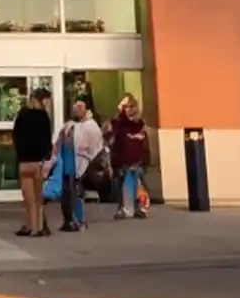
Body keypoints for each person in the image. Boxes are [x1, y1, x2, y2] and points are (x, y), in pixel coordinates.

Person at [12, 87, 53, 237]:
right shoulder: (43, 117)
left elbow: (16, 136)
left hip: (24, 161)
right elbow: (47, 142)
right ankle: (38, 227)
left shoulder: (22, 115)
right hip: (38, 162)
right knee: (38, 198)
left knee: (28, 198)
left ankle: (29, 225)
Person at [60, 100, 102, 232]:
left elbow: (95, 146)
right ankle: (69, 219)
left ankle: (79, 219)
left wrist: (87, 157)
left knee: (77, 191)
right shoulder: (69, 125)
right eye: (75, 107)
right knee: (68, 192)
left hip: (82, 163)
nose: (77, 110)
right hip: (69, 162)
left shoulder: (91, 126)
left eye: (80, 107)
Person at [110, 94, 150, 220]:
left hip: (136, 158)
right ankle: (127, 208)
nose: (126, 109)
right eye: (123, 106)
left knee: (138, 183)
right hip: (124, 158)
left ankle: (139, 208)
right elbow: (116, 139)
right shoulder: (119, 123)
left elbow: (143, 141)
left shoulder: (139, 123)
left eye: (127, 106)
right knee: (125, 183)